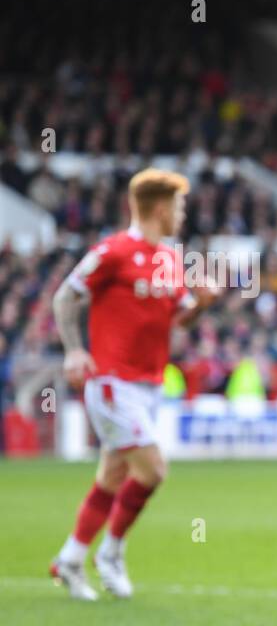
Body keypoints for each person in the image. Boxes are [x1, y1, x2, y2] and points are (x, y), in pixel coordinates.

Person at [49, 168, 220, 600]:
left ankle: (70, 559)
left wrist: (201, 305)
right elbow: (65, 296)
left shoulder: (169, 259)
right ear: (160, 208)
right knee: (153, 469)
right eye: (179, 206)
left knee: (112, 475)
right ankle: (111, 552)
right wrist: (73, 348)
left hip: (148, 385)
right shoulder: (113, 251)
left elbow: (178, 318)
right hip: (111, 382)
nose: (182, 214)